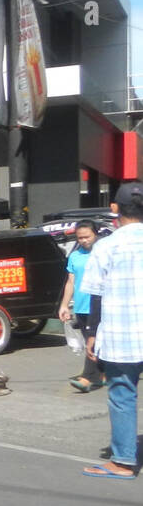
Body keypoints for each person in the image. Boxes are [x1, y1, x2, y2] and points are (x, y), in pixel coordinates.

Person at [80, 183, 143, 479]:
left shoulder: (106, 245)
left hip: (122, 336)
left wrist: (91, 334)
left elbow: (96, 295)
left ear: (114, 209)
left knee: (122, 393)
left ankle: (123, 461)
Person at [58, 220, 104, 393]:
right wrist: (64, 306)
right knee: (91, 342)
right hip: (82, 307)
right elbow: (71, 282)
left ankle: (87, 377)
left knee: (94, 342)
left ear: (96, 234)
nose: (84, 240)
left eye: (87, 237)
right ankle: (102, 374)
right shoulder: (75, 256)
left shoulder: (103, 253)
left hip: (101, 306)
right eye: (80, 238)